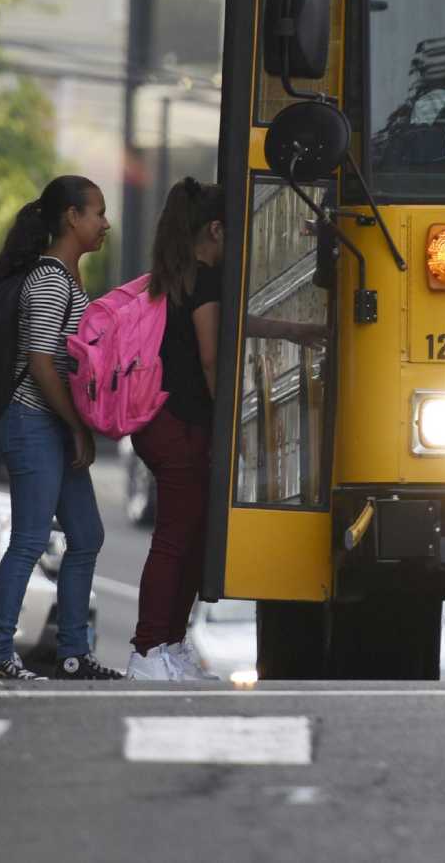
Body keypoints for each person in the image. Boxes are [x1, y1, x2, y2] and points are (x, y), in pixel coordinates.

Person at [126, 180, 323, 682]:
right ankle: (150, 649)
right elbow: (213, 357)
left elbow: (233, 325)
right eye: (234, 233)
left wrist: (293, 332)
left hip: (164, 422)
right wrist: (228, 426)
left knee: (191, 538)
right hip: (182, 424)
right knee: (177, 539)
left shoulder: (178, 275)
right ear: (215, 229)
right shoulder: (206, 277)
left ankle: (167, 647)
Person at [0, 175, 118, 682]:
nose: (105, 223)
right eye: (97, 213)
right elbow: (39, 363)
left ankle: (73, 654)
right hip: (31, 420)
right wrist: (78, 427)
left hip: (53, 423)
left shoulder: (70, 279)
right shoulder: (50, 281)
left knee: (86, 535)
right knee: (31, 539)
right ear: (70, 219)